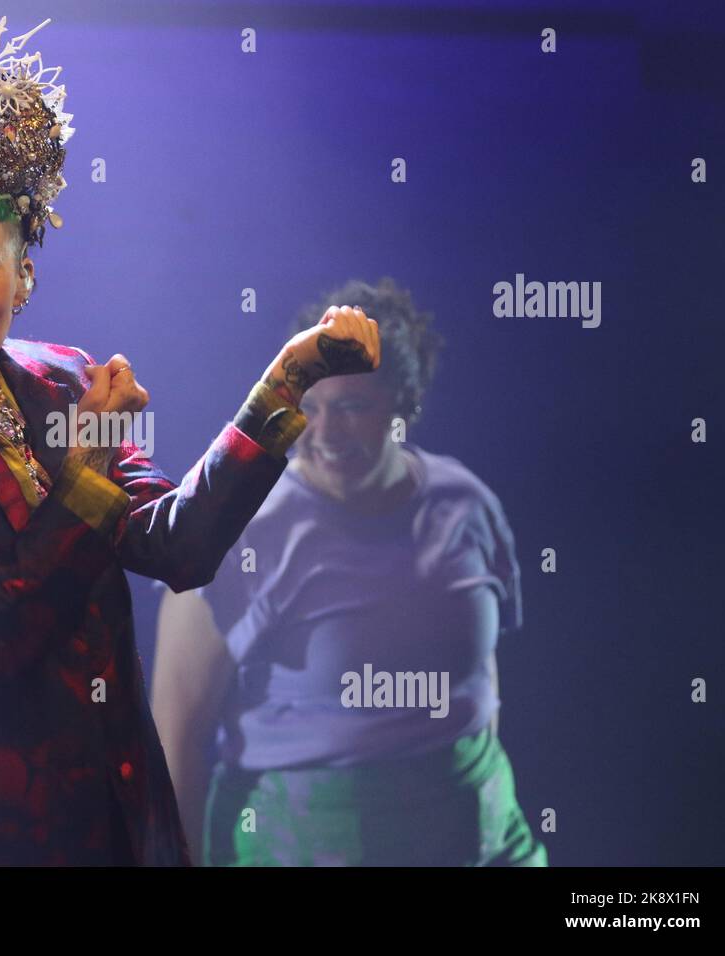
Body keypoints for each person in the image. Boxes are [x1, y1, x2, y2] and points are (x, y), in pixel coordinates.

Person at [0, 2, 381, 865]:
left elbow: (181, 548)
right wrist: (88, 470)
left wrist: (286, 385)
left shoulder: (60, 380)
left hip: (105, 835)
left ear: (23, 274)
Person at [152, 277, 548, 866]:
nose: (327, 432)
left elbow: (480, 680)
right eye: (309, 408)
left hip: (483, 840)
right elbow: (175, 742)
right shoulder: (235, 533)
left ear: (403, 406)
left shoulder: (466, 503)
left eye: (354, 407)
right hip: (304, 844)